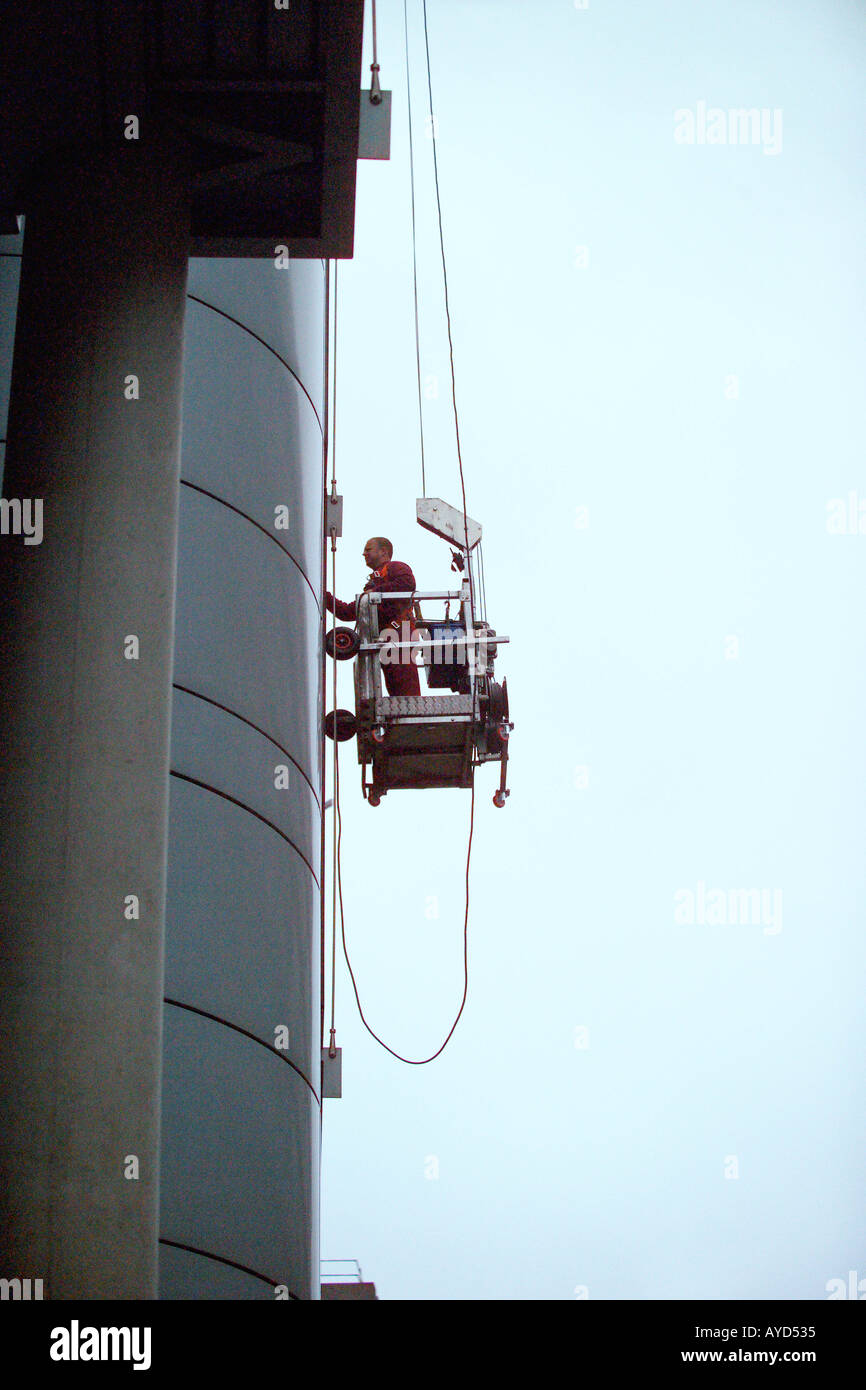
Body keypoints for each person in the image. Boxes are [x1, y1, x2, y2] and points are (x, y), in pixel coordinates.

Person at [325, 537, 422, 696]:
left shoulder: (395, 567)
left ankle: (412, 716)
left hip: (399, 635)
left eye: (368, 549)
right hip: (386, 641)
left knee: (406, 692)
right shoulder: (375, 583)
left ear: (384, 551)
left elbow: (407, 584)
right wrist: (325, 597)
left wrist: (375, 593)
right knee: (396, 691)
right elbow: (349, 612)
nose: (364, 553)